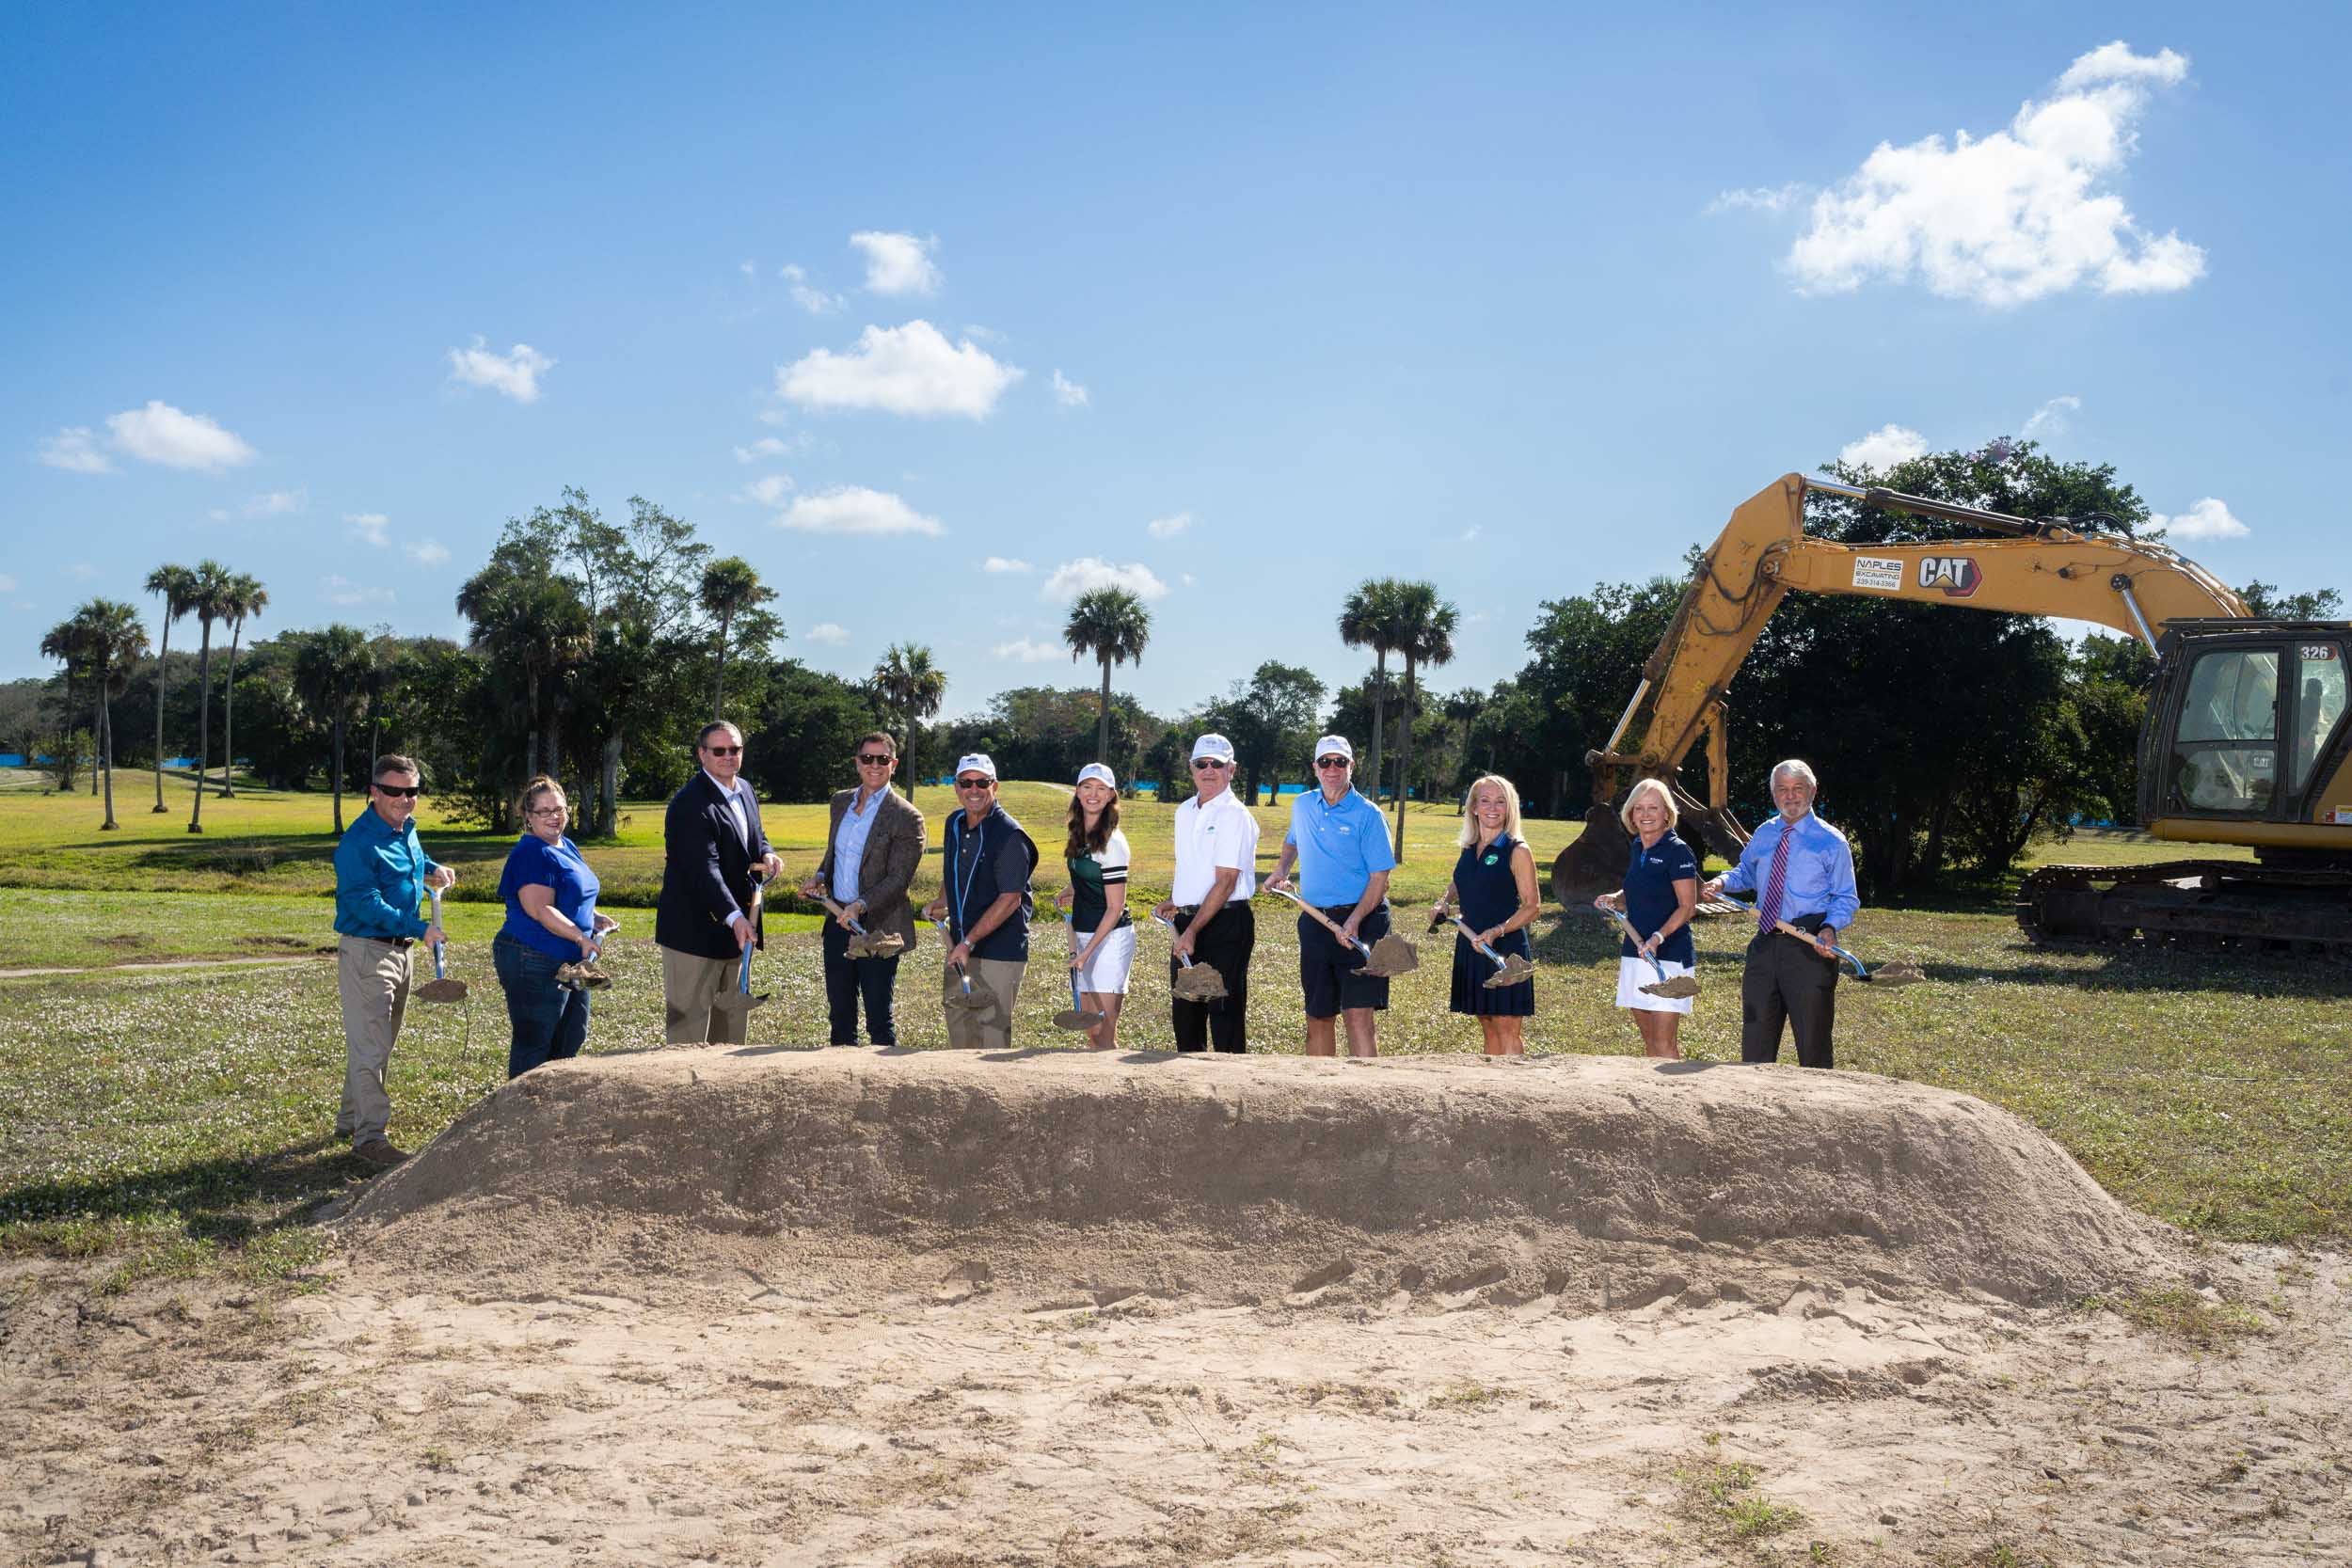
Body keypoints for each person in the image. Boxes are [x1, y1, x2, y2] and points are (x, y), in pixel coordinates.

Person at [330, 753, 456, 1168]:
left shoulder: (405, 830)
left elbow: (408, 867)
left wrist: (434, 869)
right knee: (372, 1048)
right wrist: (421, 928)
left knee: (374, 1044)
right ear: (374, 792)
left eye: (412, 791)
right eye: (393, 791)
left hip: (399, 953)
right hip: (369, 952)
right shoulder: (359, 842)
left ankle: (350, 1119)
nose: (404, 799)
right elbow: (365, 902)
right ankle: (370, 1139)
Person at [1701, 759, 1860, 1069]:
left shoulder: (1831, 842)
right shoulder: (1765, 833)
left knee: (1813, 1045)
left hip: (1809, 944)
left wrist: (1829, 928)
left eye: (1797, 788)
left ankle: (1816, 1111)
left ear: (1812, 792)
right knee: (1756, 1040)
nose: (1790, 796)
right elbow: (1746, 872)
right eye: (1782, 789)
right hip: (1764, 945)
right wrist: (1721, 881)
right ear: (1774, 795)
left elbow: (1845, 897)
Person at [654, 720, 784, 1046]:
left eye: (735, 749)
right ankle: (684, 1095)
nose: (728, 756)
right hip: (693, 936)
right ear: (702, 754)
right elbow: (703, 870)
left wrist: (766, 853)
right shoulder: (689, 804)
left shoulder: (747, 791)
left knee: (730, 1029)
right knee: (689, 1033)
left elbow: (755, 837)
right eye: (719, 750)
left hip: (736, 933)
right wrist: (735, 917)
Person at [1265, 735, 1395, 1058]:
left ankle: (1365, 1099)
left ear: (1351, 766)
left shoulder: (1368, 814)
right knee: (1318, 1015)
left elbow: (1380, 879)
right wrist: (1282, 869)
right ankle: (1322, 1096)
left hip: (1364, 922)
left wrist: (1353, 921)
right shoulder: (1303, 804)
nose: (1332, 768)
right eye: (1325, 762)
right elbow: (1292, 842)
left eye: (1340, 762)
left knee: (1358, 1016)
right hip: (1315, 920)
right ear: (1315, 767)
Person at [800, 731, 925, 1047]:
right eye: (867, 758)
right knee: (840, 1016)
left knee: (879, 1020)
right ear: (857, 762)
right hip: (837, 919)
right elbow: (834, 853)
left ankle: (887, 1091)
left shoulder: (906, 816)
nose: (874, 765)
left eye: (882, 759)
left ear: (893, 764)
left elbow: (899, 879)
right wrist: (819, 876)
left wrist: (860, 905)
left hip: (879, 929)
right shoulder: (840, 802)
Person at [493, 775, 616, 1079]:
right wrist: (580, 936)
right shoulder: (531, 852)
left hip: (570, 958)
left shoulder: (565, 845)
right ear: (527, 816)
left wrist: (593, 917)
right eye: (544, 811)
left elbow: (570, 894)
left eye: (559, 809)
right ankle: (522, 1114)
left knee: (571, 1035)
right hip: (532, 957)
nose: (553, 817)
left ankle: (551, 1112)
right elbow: (540, 909)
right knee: (535, 1043)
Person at [919, 754, 1038, 1050]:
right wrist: (942, 900)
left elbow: (1010, 899)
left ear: (994, 786)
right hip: (960, 946)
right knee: (959, 1030)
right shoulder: (955, 822)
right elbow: (953, 867)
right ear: (956, 787)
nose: (974, 789)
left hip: (999, 952)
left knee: (990, 1038)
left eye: (982, 782)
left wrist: (968, 942)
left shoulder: (1010, 836)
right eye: (966, 782)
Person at [1151, 734, 1259, 1053]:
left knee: (1223, 1017)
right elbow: (1194, 865)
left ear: (1232, 770)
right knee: (1186, 1017)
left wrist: (1193, 930)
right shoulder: (1184, 811)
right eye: (1202, 764)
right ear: (1191, 768)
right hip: (1189, 923)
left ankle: (1230, 1096)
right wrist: (1179, 900)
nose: (1208, 770)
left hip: (1224, 926)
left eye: (1217, 764)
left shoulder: (1235, 815)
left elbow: (1226, 882)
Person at [1434, 773, 1540, 1055]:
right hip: (1472, 944)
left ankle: (1517, 1092)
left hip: (1504, 950)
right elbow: (1461, 880)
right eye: (1485, 801)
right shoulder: (1470, 848)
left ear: (1510, 808)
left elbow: (1533, 906)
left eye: (1500, 802)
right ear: (1474, 807)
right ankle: (1493, 1091)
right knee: (1487, 1022)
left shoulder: (1517, 850)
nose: (1492, 808)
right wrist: (1444, 902)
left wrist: (1496, 932)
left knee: (1506, 1027)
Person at [1591, 777, 1697, 1060]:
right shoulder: (1639, 846)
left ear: (1666, 814)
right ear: (1631, 814)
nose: (1646, 815)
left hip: (1669, 955)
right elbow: (1638, 888)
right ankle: (1654, 1099)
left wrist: (1657, 937)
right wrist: (1615, 898)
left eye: (1653, 808)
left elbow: (1687, 906)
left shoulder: (1678, 851)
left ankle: (1674, 1098)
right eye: (1640, 808)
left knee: (1664, 1042)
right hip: (1635, 951)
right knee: (1649, 1038)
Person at [1054, 763, 1135, 1050]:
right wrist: (1073, 887)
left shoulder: (1113, 842)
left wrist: (1086, 953)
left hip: (1110, 940)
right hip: (1085, 931)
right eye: (1087, 787)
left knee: (1103, 1032)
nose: (1093, 794)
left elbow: (1115, 907)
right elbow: (1090, 873)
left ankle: (1115, 1093)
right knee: (1092, 1030)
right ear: (1077, 791)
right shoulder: (1079, 832)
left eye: (1101, 788)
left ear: (1112, 795)